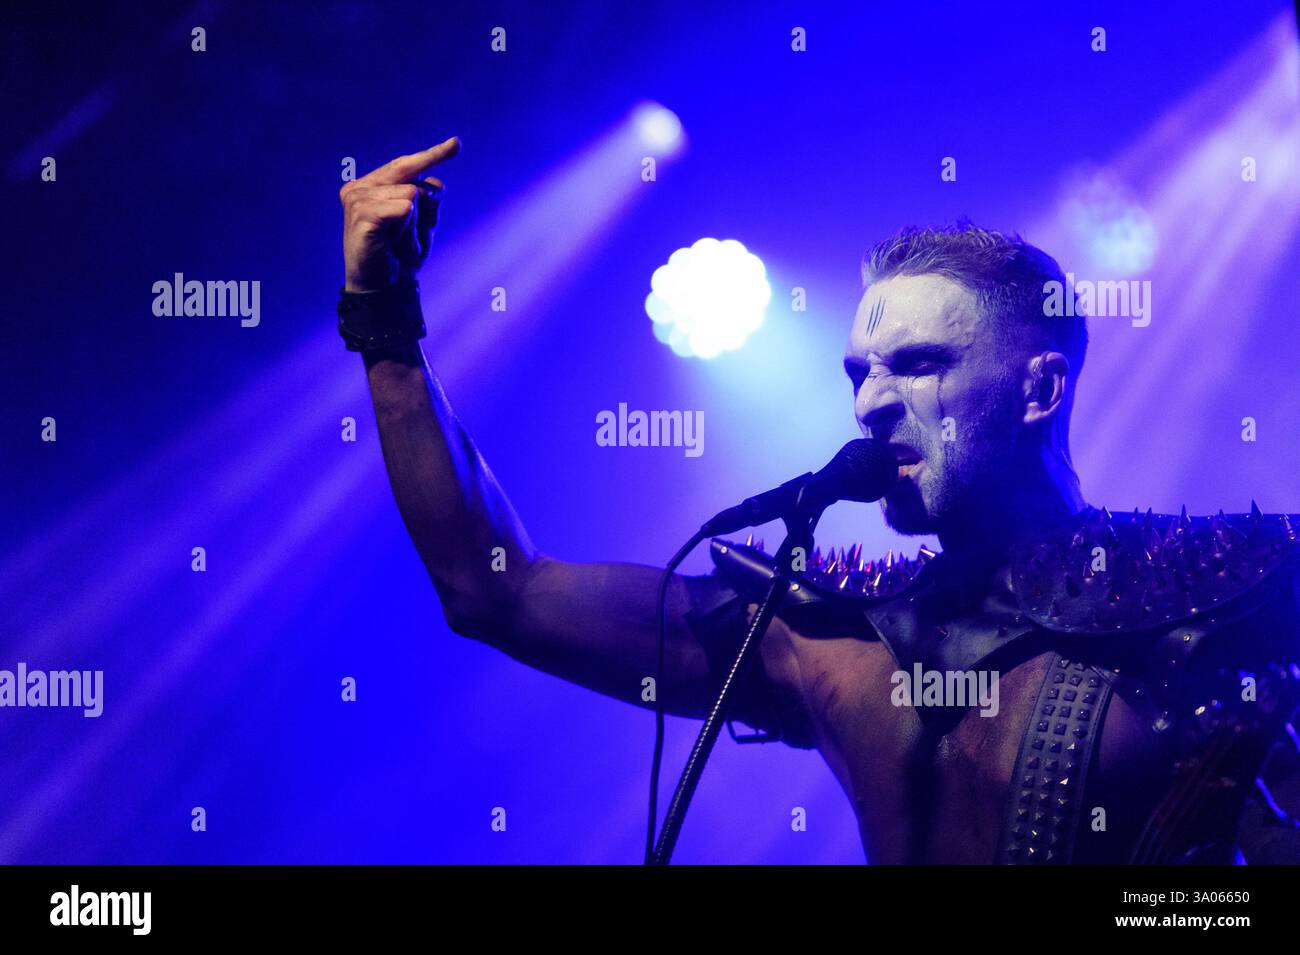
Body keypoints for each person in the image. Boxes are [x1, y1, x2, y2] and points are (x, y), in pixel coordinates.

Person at [336, 139, 1300, 864]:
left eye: (921, 365)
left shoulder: (1228, 597)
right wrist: (383, 319)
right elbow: (496, 591)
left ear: (1038, 391)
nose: (873, 400)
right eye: (860, 372)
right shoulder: (830, 636)